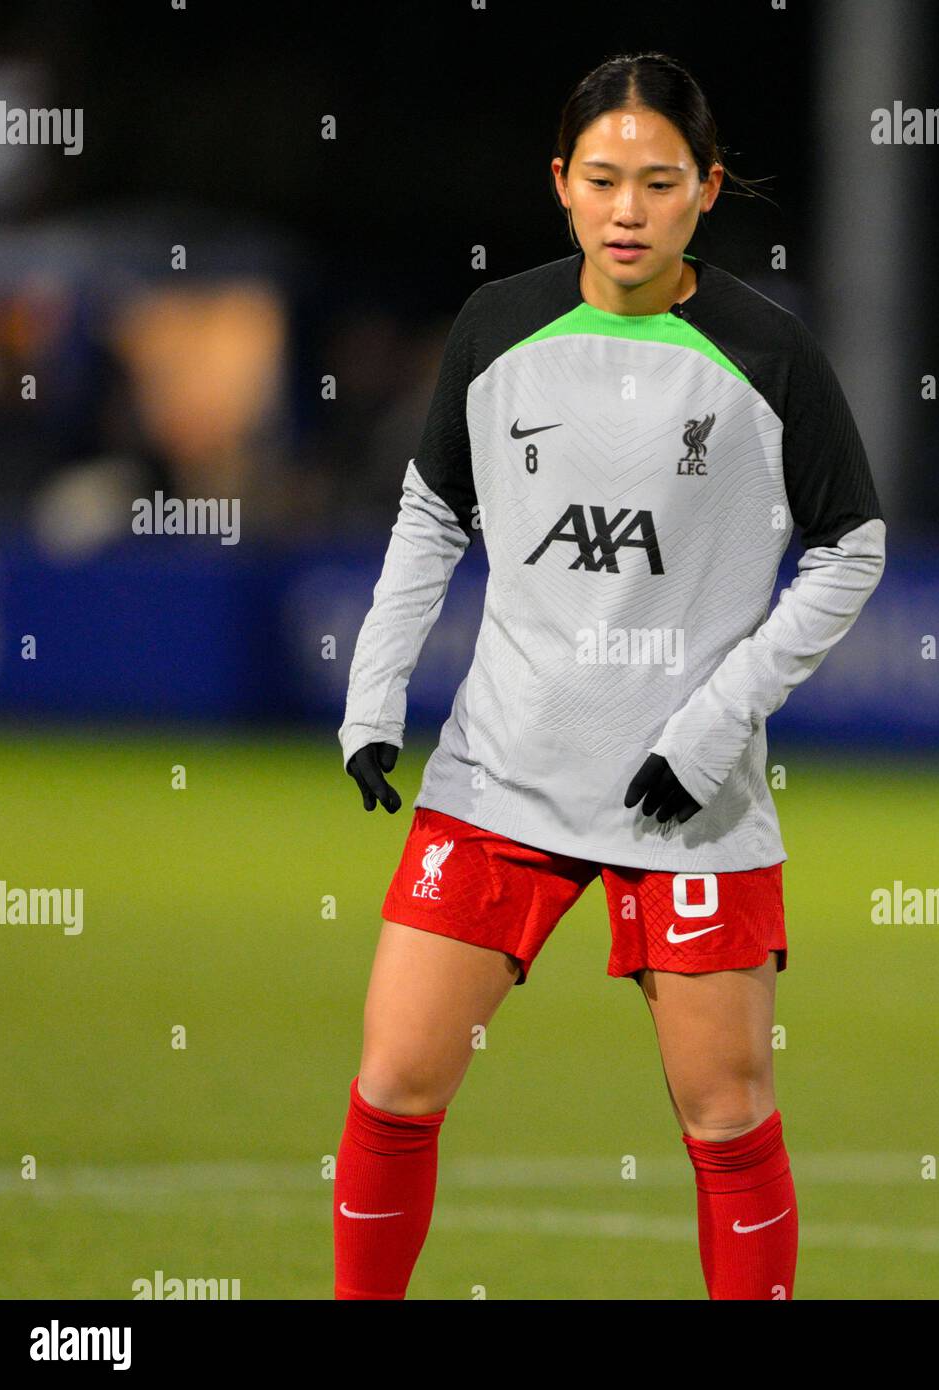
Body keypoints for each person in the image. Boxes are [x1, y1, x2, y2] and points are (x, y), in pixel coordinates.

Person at [333, 50, 886, 1301]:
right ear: (561, 188)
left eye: (658, 181)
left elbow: (855, 548)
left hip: (687, 803)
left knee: (727, 1118)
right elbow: (431, 517)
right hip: (501, 777)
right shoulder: (497, 328)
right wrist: (375, 698)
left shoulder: (768, 352)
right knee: (395, 1081)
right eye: (602, 180)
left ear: (708, 189)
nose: (627, 208)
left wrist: (711, 727)